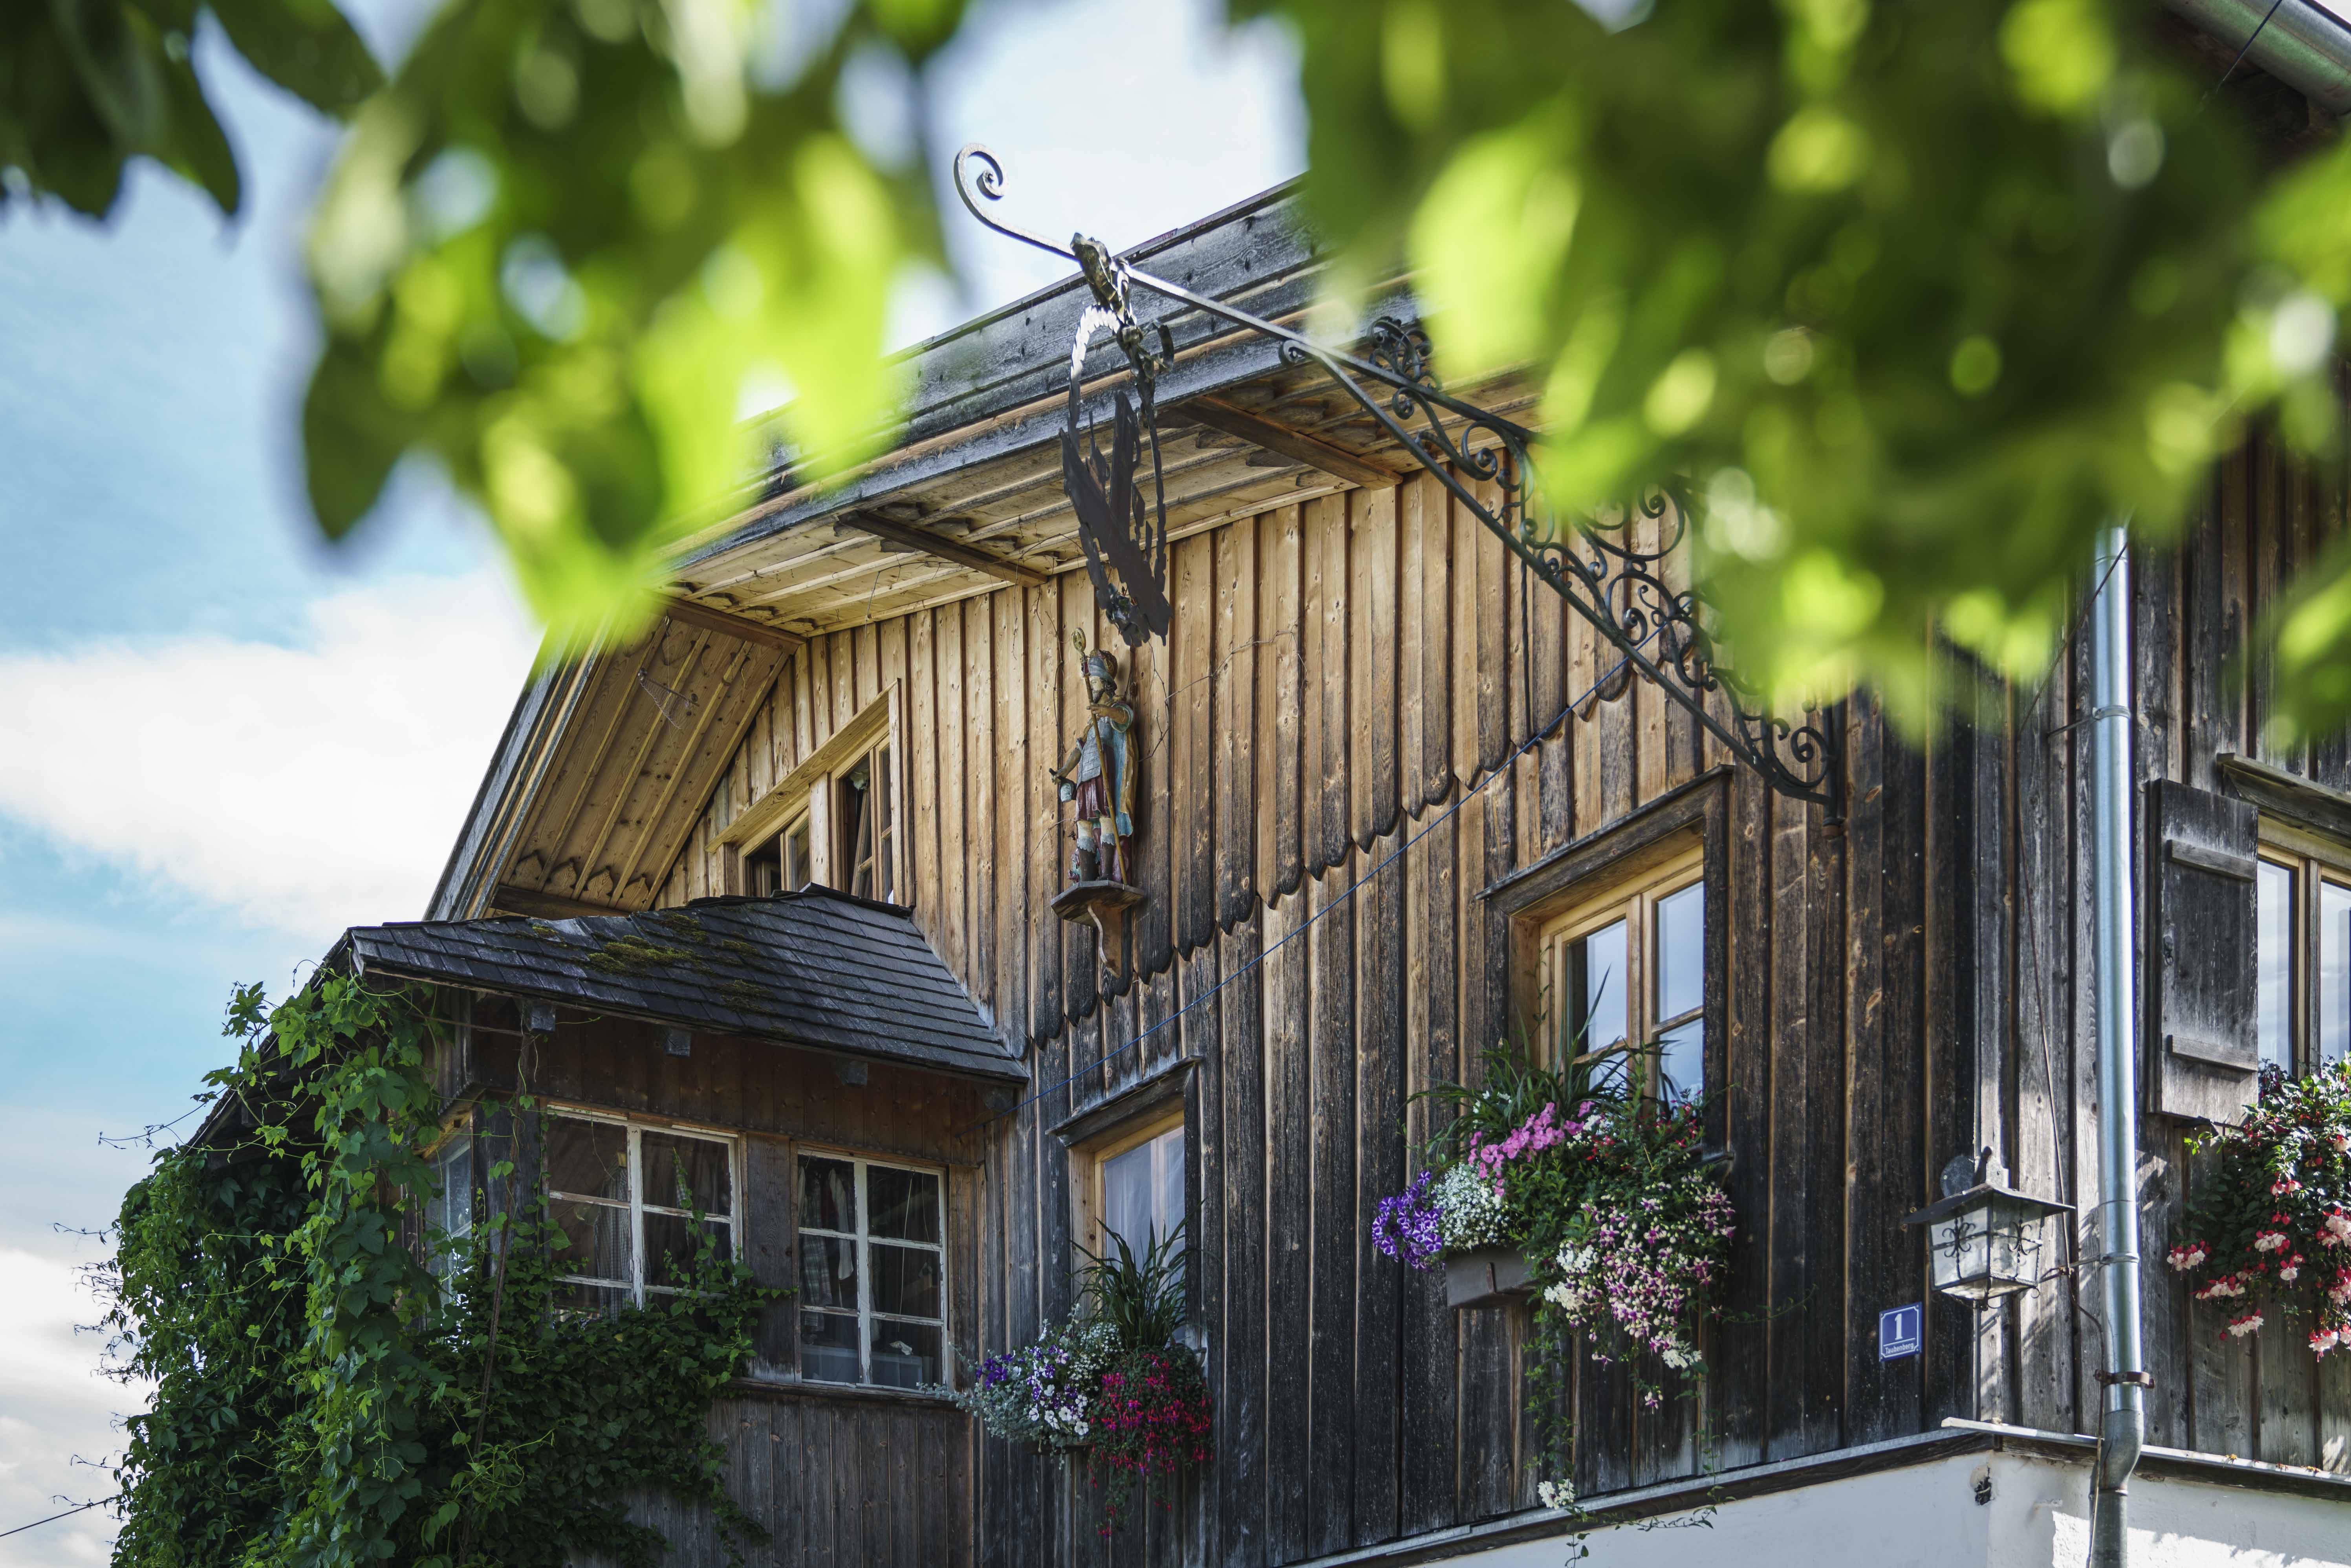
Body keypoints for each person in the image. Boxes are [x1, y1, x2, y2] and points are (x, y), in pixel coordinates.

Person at [1048, 633, 1137, 886]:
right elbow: (1079, 749)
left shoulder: (1113, 711)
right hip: (1086, 777)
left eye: (1096, 683)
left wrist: (1106, 712)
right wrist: (1063, 771)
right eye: (1093, 683)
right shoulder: (1092, 725)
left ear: (1107, 685)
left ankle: (1108, 873)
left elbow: (1126, 718)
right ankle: (1087, 877)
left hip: (1104, 774)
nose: (1093, 688)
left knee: (1107, 818)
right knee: (1085, 824)